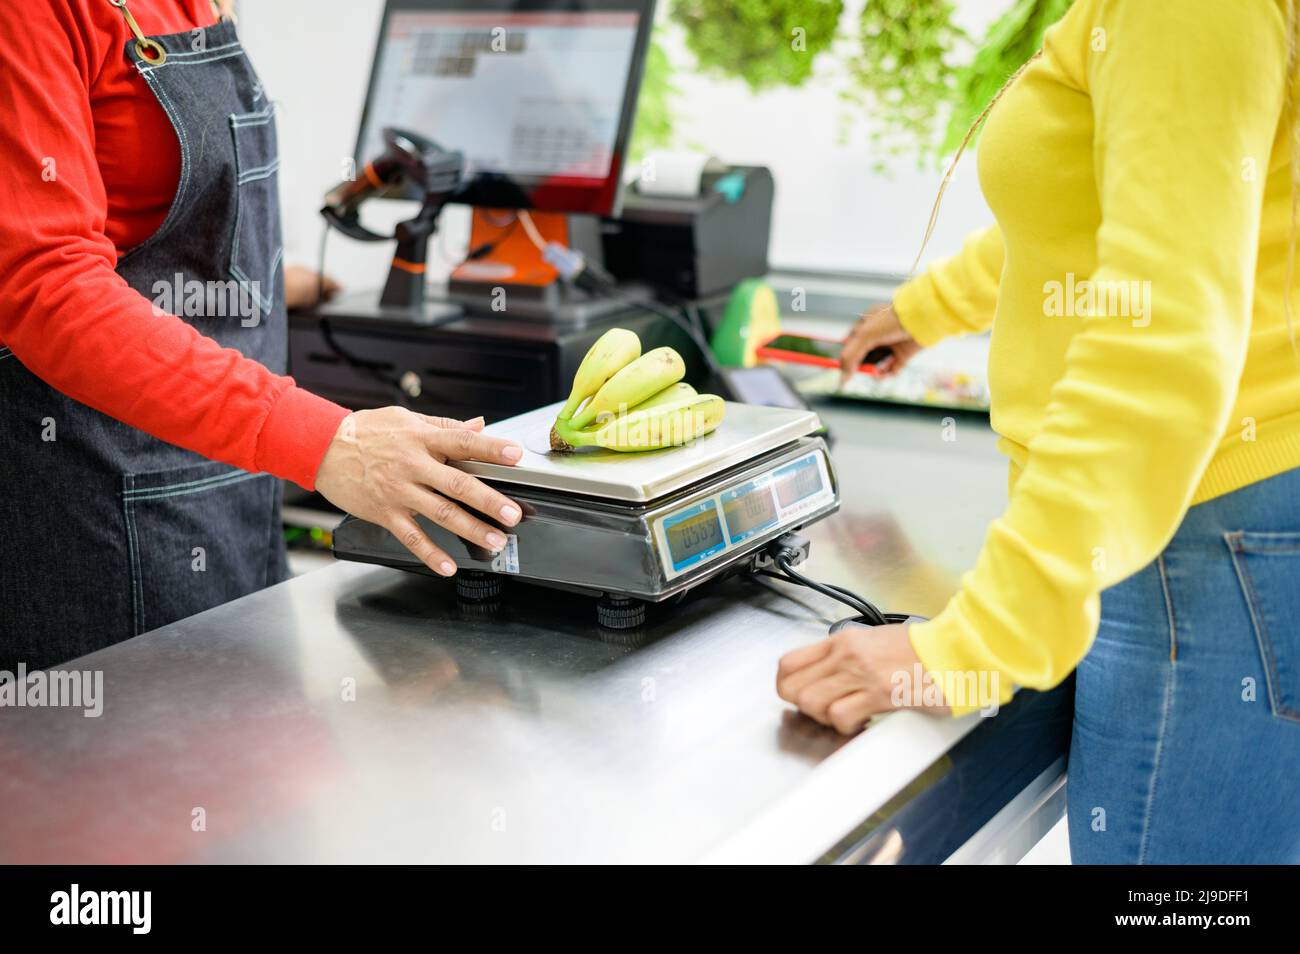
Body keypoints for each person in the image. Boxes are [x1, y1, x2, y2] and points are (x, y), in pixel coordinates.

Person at [777, 0, 1300, 863]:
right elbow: (1096, 205)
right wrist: (930, 307)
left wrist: (969, 647)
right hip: (1216, 528)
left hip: (1197, 538)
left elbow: (1160, 337)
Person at [0, 0, 523, 670]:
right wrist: (328, 439)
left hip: (234, 484)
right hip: (92, 502)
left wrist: (257, 285)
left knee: (252, 749)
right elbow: (42, 286)